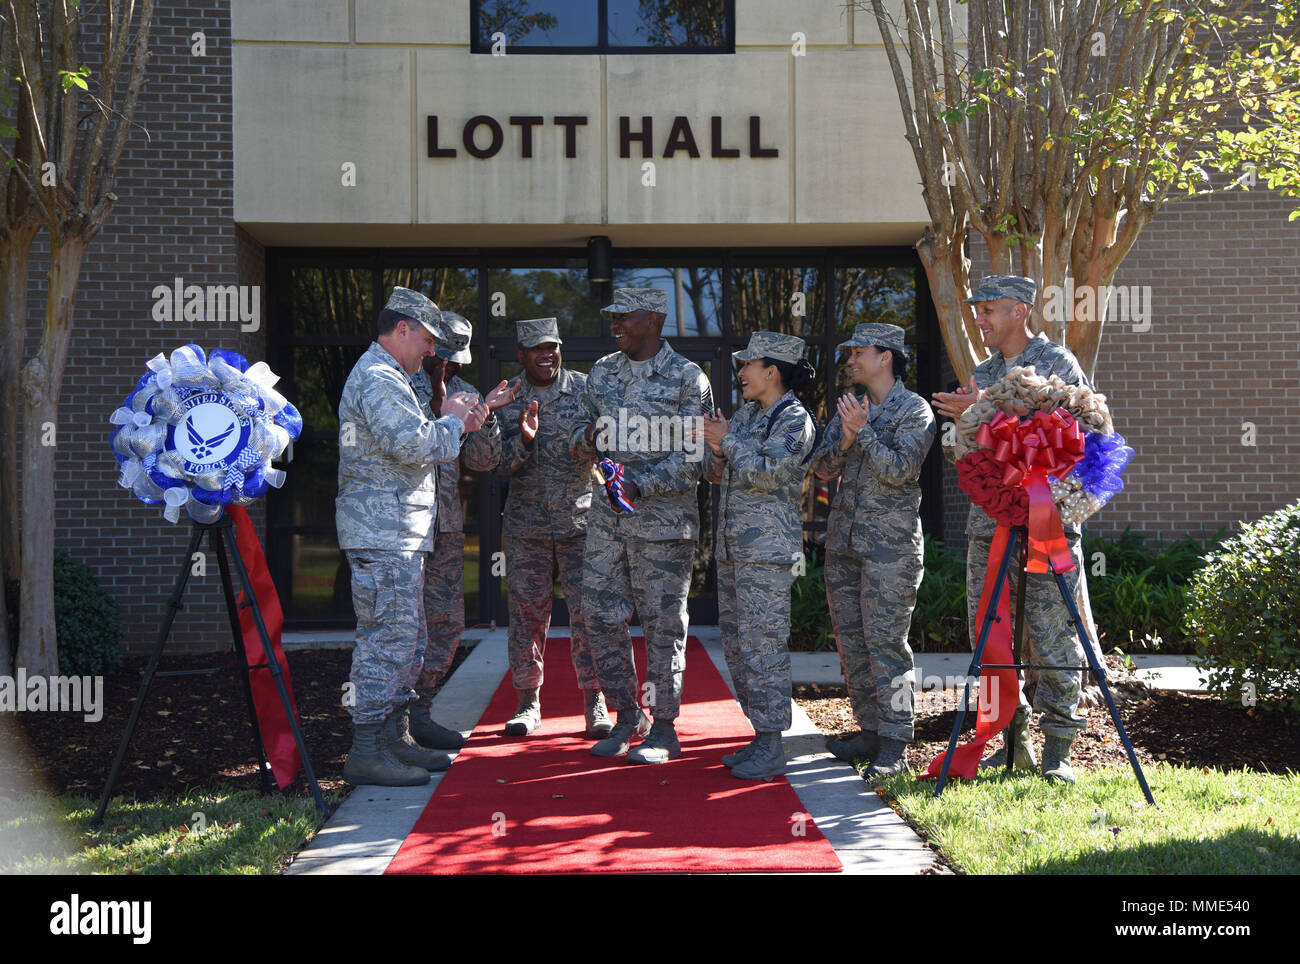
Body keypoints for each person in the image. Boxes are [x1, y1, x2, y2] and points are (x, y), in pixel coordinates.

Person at [931, 274, 1093, 783]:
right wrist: (965, 424)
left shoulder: (1059, 364)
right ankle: (1012, 740)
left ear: (1021, 311)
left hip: (1046, 523)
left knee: (1050, 635)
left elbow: (1080, 437)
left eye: (989, 310)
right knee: (993, 634)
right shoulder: (983, 371)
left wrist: (990, 415)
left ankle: (1058, 751)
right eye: (977, 310)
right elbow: (965, 452)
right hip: (991, 526)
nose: (979, 320)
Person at [336, 287, 489, 787]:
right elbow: (413, 443)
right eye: (426, 339)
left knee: (409, 641)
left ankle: (394, 740)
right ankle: (365, 751)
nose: (431, 352)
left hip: (400, 534)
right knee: (386, 642)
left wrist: (454, 423)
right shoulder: (378, 377)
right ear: (401, 329)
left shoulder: (393, 377)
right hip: (383, 535)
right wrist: (455, 422)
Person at [571, 287, 713, 764]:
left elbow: (697, 456)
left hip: (663, 526)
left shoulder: (687, 378)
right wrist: (586, 437)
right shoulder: (602, 372)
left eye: (623, 316)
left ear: (653, 319)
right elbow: (577, 436)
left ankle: (665, 729)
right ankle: (628, 717)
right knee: (601, 616)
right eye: (610, 316)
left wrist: (642, 484)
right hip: (607, 523)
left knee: (662, 627)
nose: (614, 324)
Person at [810, 322, 936, 778]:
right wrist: (844, 436)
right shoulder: (852, 407)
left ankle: (897, 742)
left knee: (887, 646)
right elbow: (821, 467)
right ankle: (869, 729)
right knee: (853, 643)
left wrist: (861, 432)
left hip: (890, 550)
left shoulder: (914, 410)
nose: (850, 359)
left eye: (858, 351)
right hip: (844, 544)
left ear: (886, 357)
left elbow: (901, 470)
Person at [702, 331, 816, 780]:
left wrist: (726, 442)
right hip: (734, 549)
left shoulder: (795, 419)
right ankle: (759, 735)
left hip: (766, 554)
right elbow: (721, 473)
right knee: (737, 645)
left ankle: (772, 744)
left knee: (764, 646)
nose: (742, 372)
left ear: (772, 371)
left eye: (749, 365)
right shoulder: (749, 415)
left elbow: (768, 472)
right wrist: (716, 447)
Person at [494, 317, 610, 738]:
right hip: (527, 527)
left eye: (553, 347)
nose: (547, 354)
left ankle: (595, 700)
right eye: (537, 348)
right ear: (521, 354)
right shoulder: (508, 397)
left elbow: (609, 445)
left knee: (588, 615)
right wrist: (522, 443)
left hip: (582, 524)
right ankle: (528, 702)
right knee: (526, 616)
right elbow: (492, 466)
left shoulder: (585, 390)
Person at [408, 311, 513, 750]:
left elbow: (481, 462)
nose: (447, 370)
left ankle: (420, 710)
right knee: (400, 625)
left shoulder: (467, 393)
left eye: (455, 365)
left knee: (446, 623)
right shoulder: (399, 386)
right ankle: (390, 718)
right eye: (442, 361)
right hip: (403, 527)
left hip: (446, 526)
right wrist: (435, 397)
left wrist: (485, 415)